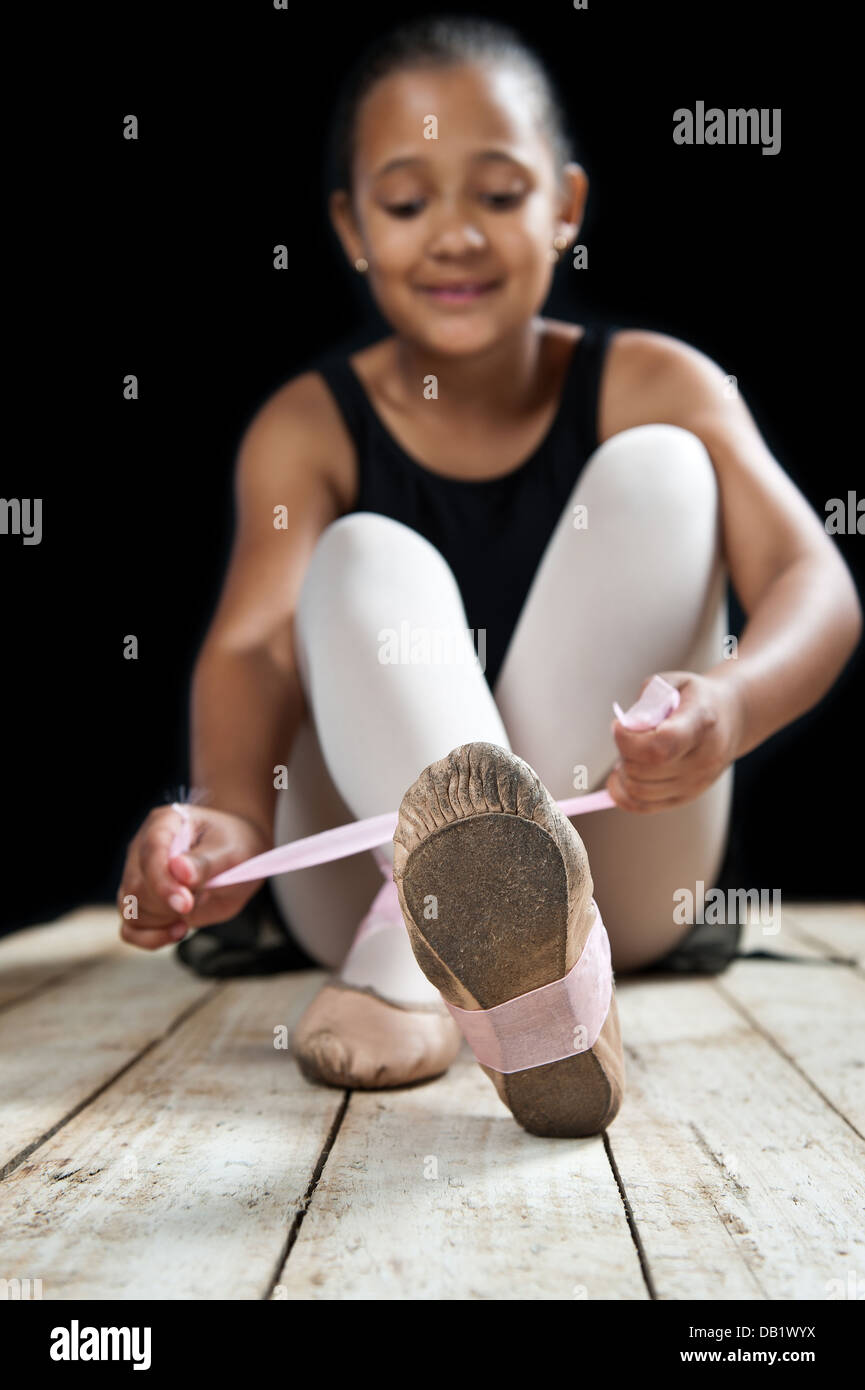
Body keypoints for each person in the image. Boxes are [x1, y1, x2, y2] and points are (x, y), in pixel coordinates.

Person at [116, 15, 861, 1133]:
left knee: (662, 471)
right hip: (363, 880)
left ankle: (443, 967)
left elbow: (817, 581)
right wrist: (222, 811)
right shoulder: (309, 425)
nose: (453, 234)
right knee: (364, 554)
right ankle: (445, 944)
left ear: (564, 207)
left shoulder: (658, 380)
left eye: (499, 195)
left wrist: (733, 700)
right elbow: (257, 640)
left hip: (626, 865)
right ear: (351, 227)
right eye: (409, 203)